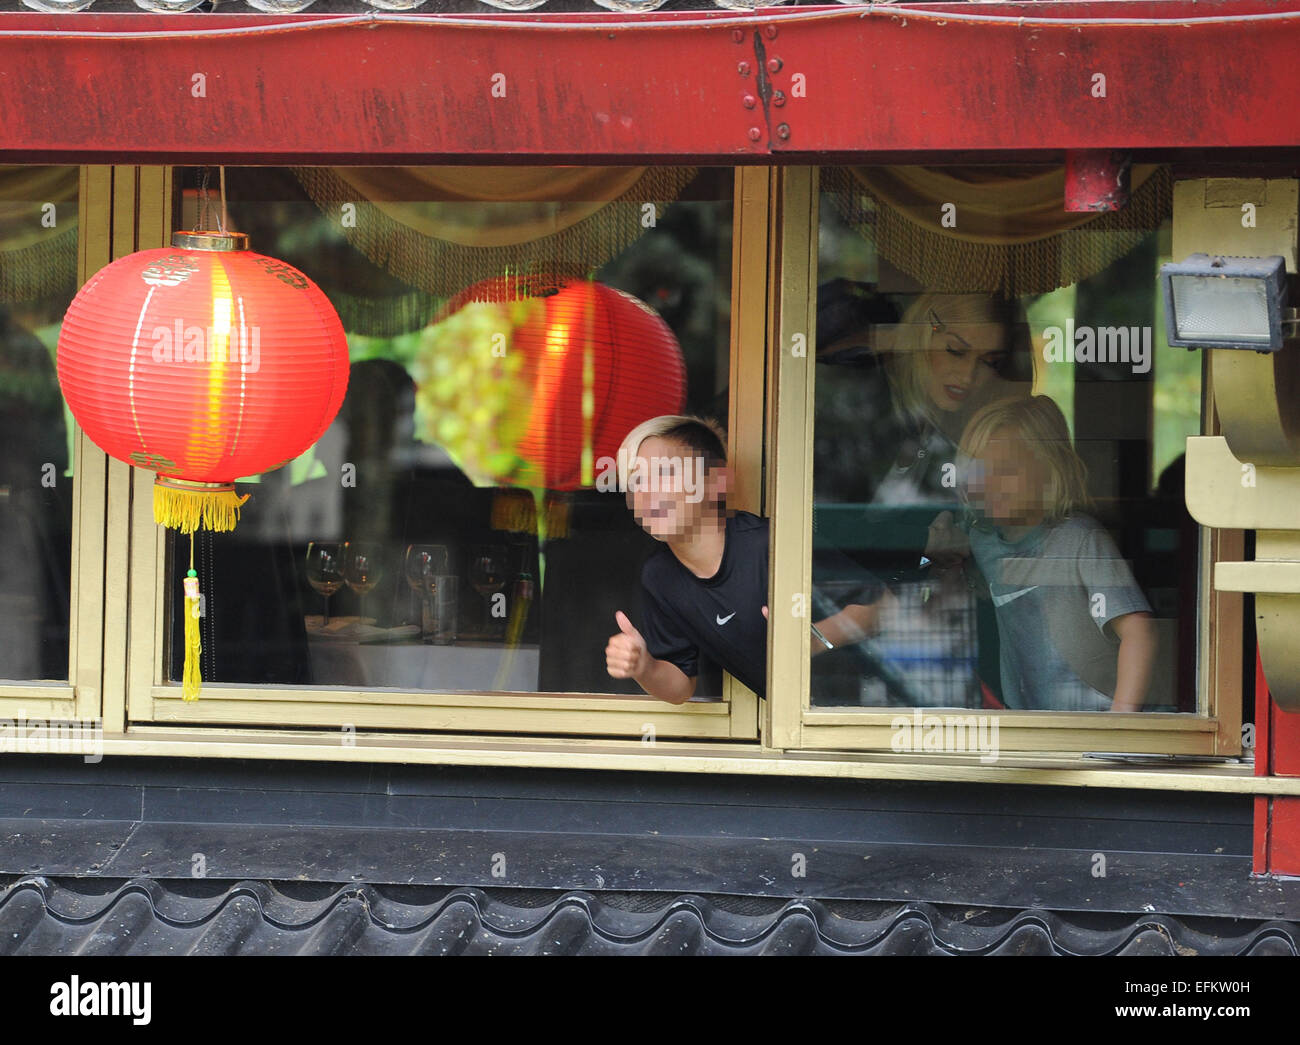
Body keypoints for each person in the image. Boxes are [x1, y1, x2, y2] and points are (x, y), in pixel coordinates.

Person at [604, 415, 883, 704]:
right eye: (636, 481)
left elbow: (880, 606)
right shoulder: (660, 575)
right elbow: (680, 685)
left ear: (714, 482)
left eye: (664, 473)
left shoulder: (772, 542)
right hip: (786, 728)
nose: (646, 493)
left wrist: (808, 641)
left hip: (855, 712)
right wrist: (645, 667)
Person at [928, 395, 1157, 712]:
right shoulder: (981, 541)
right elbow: (935, 583)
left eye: (1007, 470)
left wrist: (1121, 722)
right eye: (979, 472)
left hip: (1095, 721)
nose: (990, 485)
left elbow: (1139, 632)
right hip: (1029, 726)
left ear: (1050, 469)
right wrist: (936, 549)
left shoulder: (1081, 539)